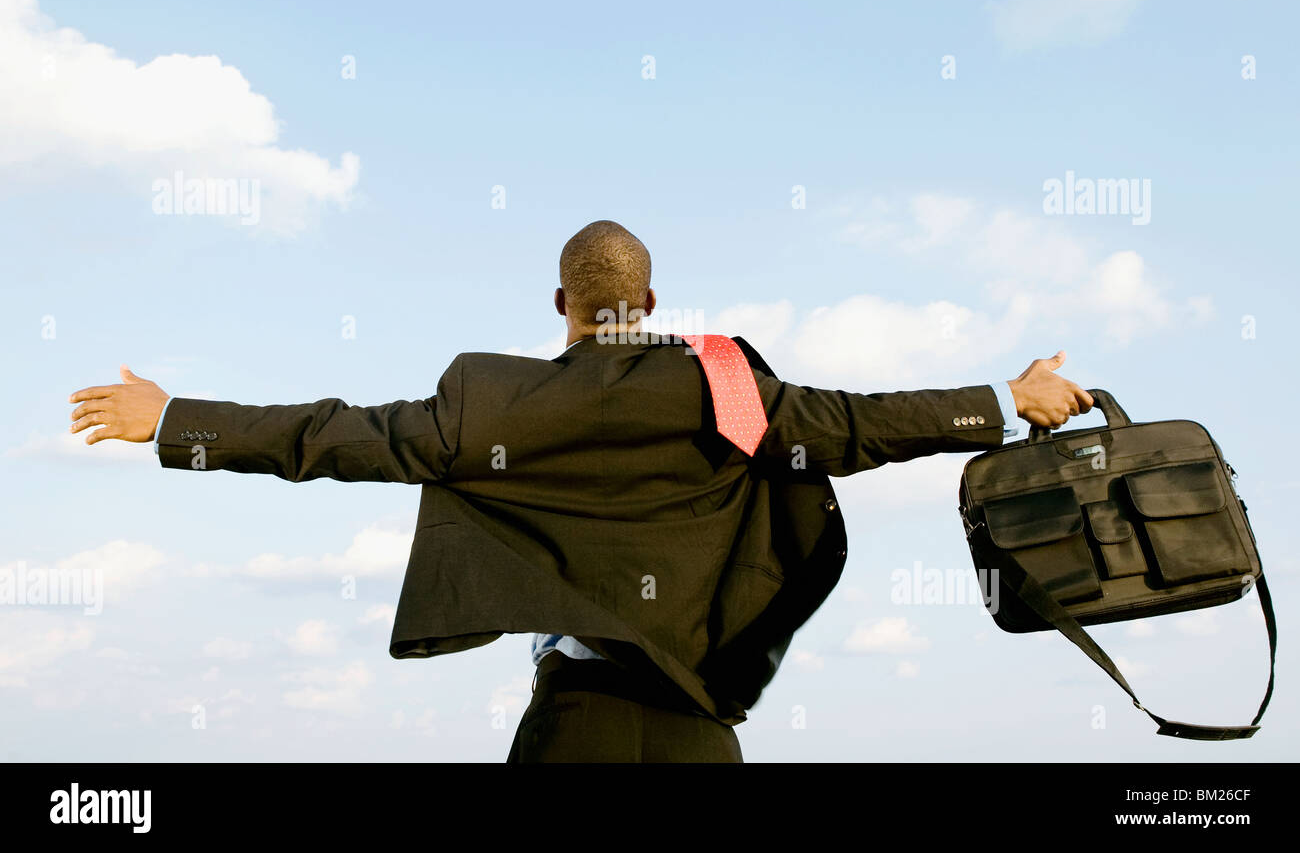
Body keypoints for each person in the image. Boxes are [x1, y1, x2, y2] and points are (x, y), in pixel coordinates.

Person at [68, 220, 1093, 762]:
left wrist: (172, 416)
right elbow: (865, 421)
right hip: (703, 725)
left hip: (573, 725)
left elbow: (333, 436)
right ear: (648, 303)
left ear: (562, 304)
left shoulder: (490, 404)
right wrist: (1011, 396)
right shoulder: (727, 383)